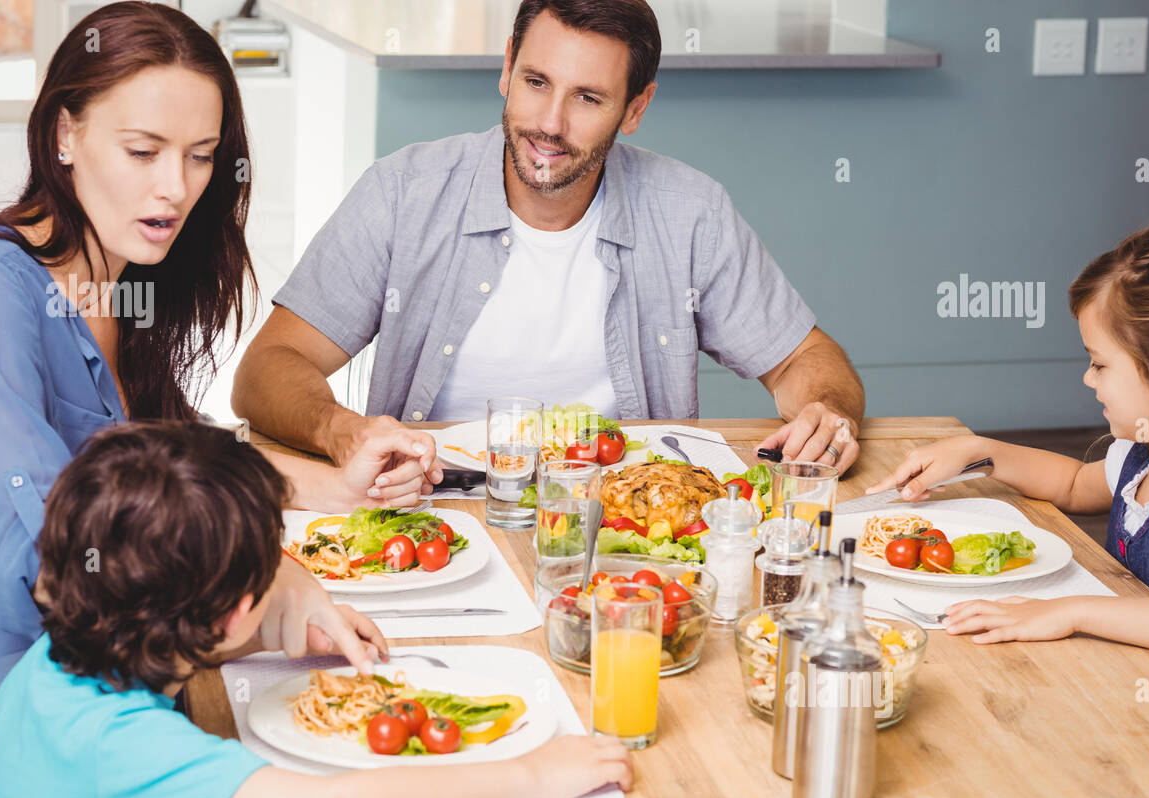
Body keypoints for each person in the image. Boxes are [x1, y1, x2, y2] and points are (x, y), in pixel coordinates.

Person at [0, 1, 419, 798]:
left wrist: (330, 481)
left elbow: (167, 468)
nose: (174, 187)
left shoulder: (118, 279)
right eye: (142, 152)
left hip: (115, 707)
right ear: (64, 135)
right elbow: (47, 573)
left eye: (201, 156)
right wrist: (270, 586)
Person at [232, 0, 865, 477]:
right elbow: (266, 370)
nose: (551, 124)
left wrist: (827, 410)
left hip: (625, 525)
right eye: (537, 82)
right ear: (507, 68)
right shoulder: (404, 192)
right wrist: (343, 432)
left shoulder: (690, 213)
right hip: (437, 510)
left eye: (588, 97)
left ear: (636, 108)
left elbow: (804, 360)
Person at [0, 422, 633, 798]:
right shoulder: (123, 746)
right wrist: (533, 775)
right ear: (233, 615)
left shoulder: (75, 643)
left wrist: (292, 617)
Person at [866, 219, 1149, 653]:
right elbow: (1075, 484)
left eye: (1100, 364)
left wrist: (1072, 610)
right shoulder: (1143, 458)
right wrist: (980, 452)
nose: (1087, 378)